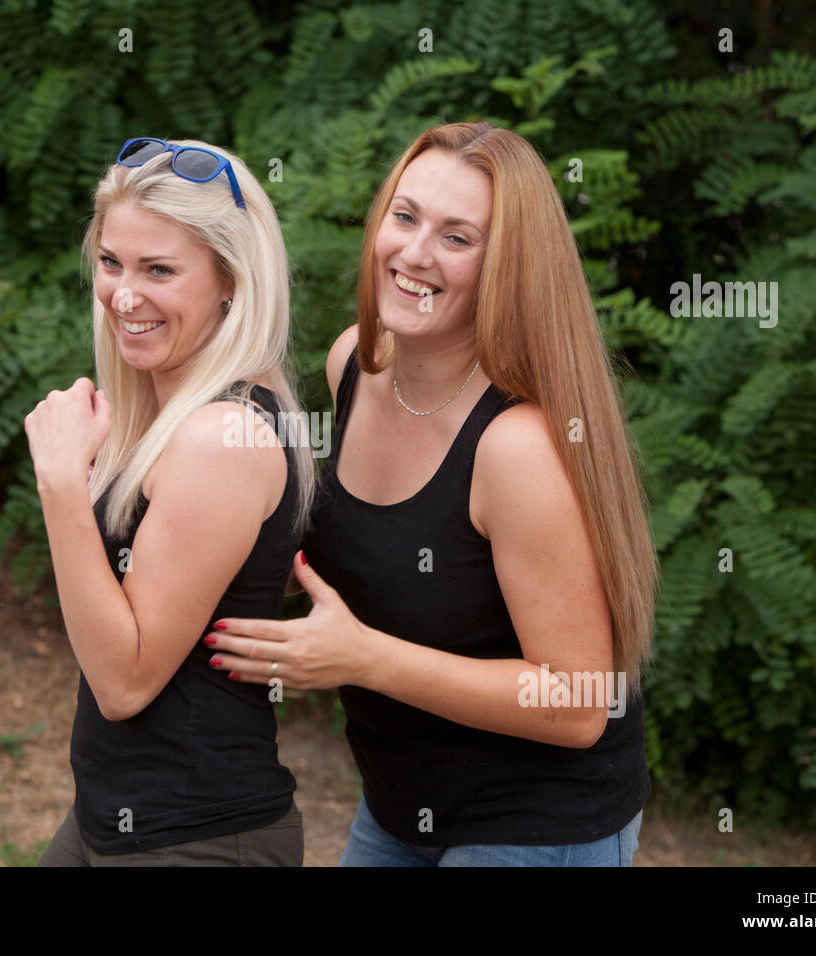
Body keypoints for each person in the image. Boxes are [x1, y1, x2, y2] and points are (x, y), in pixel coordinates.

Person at [203, 122, 657, 866]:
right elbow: (372, 553)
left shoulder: (517, 447)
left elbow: (579, 703)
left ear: (506, 268)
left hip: (537, 824)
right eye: (405, 217)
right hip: (400, 806)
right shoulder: (354, 363)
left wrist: (361, 659)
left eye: (457, 237)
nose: (413, 254)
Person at [28, 137, 315, 866]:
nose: (125, 295)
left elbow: (124, 682)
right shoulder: (186, 409)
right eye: (112, 262)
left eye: (160, 269)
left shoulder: (219, 435)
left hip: (195, 837)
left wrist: (62, 484)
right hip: (118, 819)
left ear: (231, 281)